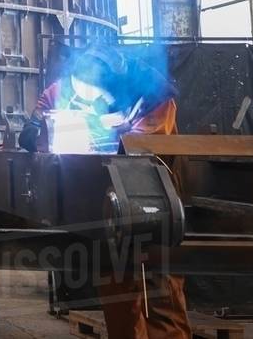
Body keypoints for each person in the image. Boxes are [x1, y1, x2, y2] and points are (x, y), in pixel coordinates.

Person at [19, 45, 189, 339]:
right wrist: (43, 132)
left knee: (161, 292)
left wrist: (110, 131)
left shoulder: (153, 97)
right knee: (117, 287)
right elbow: (30, 133)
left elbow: (145, 154)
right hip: (107, 208)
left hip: (155, 203)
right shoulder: (63, 89)